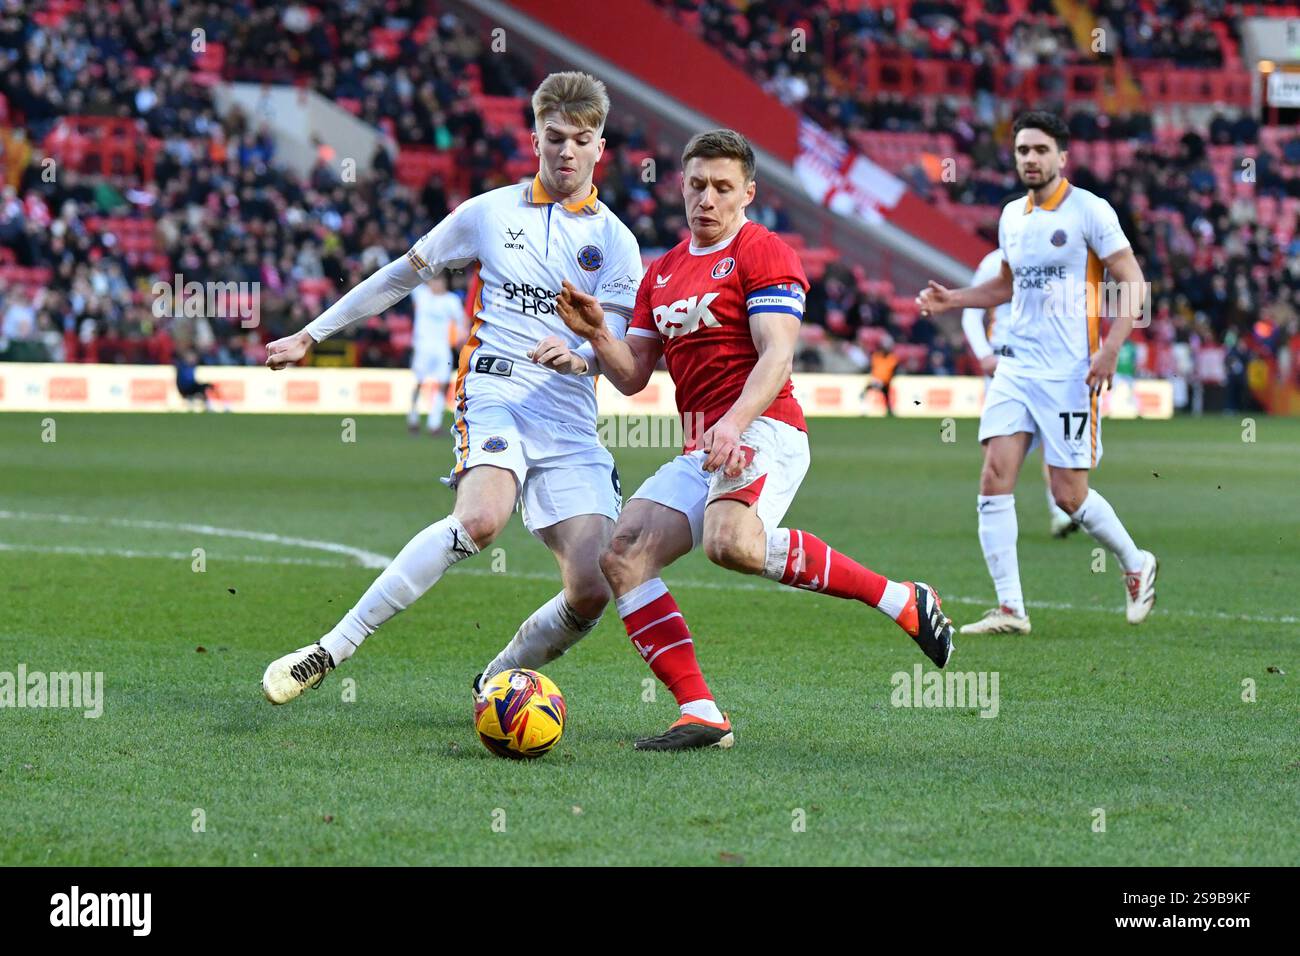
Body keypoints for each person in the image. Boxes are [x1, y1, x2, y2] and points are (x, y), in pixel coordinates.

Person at [538, 129, 955, 751]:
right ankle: (702, 713)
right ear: (682, 185)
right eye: (698, 184)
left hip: (766, 426)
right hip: (703, 444)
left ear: (748, 194)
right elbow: (631, 376)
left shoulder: (764, 252)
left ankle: (900, 599)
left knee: (730, 543)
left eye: (723, 187)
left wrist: (733, 424)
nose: (707, 198)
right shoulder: (664, 273)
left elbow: (776, 356)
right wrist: (595, 337)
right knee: (622, 554)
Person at [259, 71, 643, 703]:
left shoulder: (617, 244)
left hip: (570, 413)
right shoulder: (488, 213)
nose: (567, 152)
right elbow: (400, 275)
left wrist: (581, 356)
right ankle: (330, 650)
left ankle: (494, 682)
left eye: (582, 139)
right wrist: (312, 333)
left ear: (601, 146)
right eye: (555, 138)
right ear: (534, 139)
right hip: (494, 384)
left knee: (593, 587)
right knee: (481, 519)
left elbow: (618, 344)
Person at [917, 111, 1158, 635]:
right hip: (1016, 366)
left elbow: (1132, 282)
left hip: (1071, 371)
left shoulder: (1091, 211)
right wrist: (954, 298)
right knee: (993, 476)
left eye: (1040, 150)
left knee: (1069, 495)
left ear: (1061, 156)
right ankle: (1011, 609)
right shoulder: (1011, 217)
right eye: (1023, 150)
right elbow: (1006, 285)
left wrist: (1113, 347)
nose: (1030, 158)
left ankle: (1136, 562)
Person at [961, 247, 1078, 538]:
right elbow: (970, 314)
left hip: (1046, 363)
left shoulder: (1051, 259)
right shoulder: (994, 261)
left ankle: (1060, 512)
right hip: (1003, 364)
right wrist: (984, 355)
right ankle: (997, 513)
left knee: (1054, 438)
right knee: (996, 446)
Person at [407, 273, 462, 435]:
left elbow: (460, 324)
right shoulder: (421, 294)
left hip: (442, 347)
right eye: (434, 280)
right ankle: (413, 417)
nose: (437, 284)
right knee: (418, 382)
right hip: (423, 346)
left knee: (444, 383)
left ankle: (434, 423)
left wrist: (459, 341)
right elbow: (410, 274)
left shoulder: (451, 300)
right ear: (428, 282)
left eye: (440, 280)